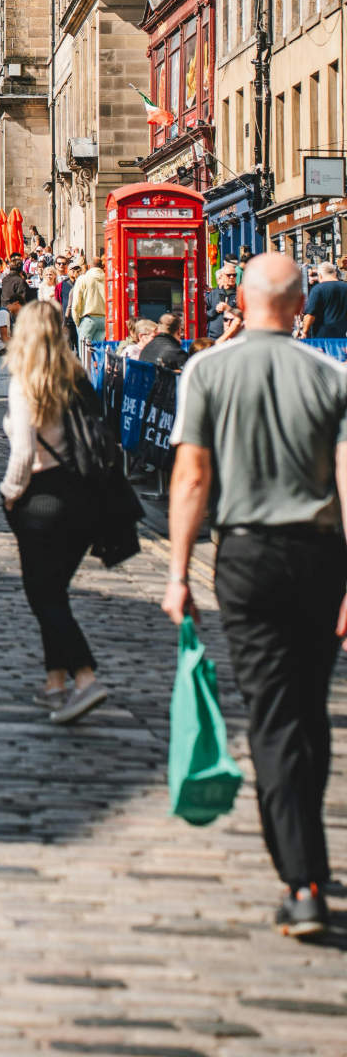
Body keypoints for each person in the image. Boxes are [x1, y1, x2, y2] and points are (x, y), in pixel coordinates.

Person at [164, 251, 347, 940]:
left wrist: (178, 572)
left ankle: (300, 880)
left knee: (273, 714)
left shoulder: (207, 371)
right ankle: (307, 858)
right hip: (321, 553)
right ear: (301, 306)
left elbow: (190, 478)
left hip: (245, 557)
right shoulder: (333, 375)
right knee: (307, 709)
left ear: (239, 303)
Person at [0, 298, 109, 726]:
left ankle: (85, 678)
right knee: (53, 593)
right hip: (84, 496)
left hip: (42, 499)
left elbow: (24, 454)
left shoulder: (25, 380)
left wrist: (9, 492)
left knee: (43, 596)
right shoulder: (77, 376)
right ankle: (54, 683)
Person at [69, 255, 106, 363]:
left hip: (88, 319)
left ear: (89, 266)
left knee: (85, 356)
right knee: (99, 355)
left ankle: (87, 378)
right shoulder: (107, 279)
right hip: (104, 320)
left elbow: (76, 304)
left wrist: (78, 322)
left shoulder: (83, 279)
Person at [300, 261, 347, 341]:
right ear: (335, 274)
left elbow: (310, 315)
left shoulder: (318, 289)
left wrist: (304, 332)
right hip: (342, 338)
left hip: (322, 338)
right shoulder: (345, 287)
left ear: (320, 275)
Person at [204, 261, 239, 342]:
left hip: (234, 338)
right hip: (214, 338)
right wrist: (215, 311)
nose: (231, 277)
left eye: (234, 275)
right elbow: (204, 316)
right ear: (222, 276)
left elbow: (245, 316)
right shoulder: (213, 294)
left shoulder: (240, 294)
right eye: (228, 275)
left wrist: (229, 309)